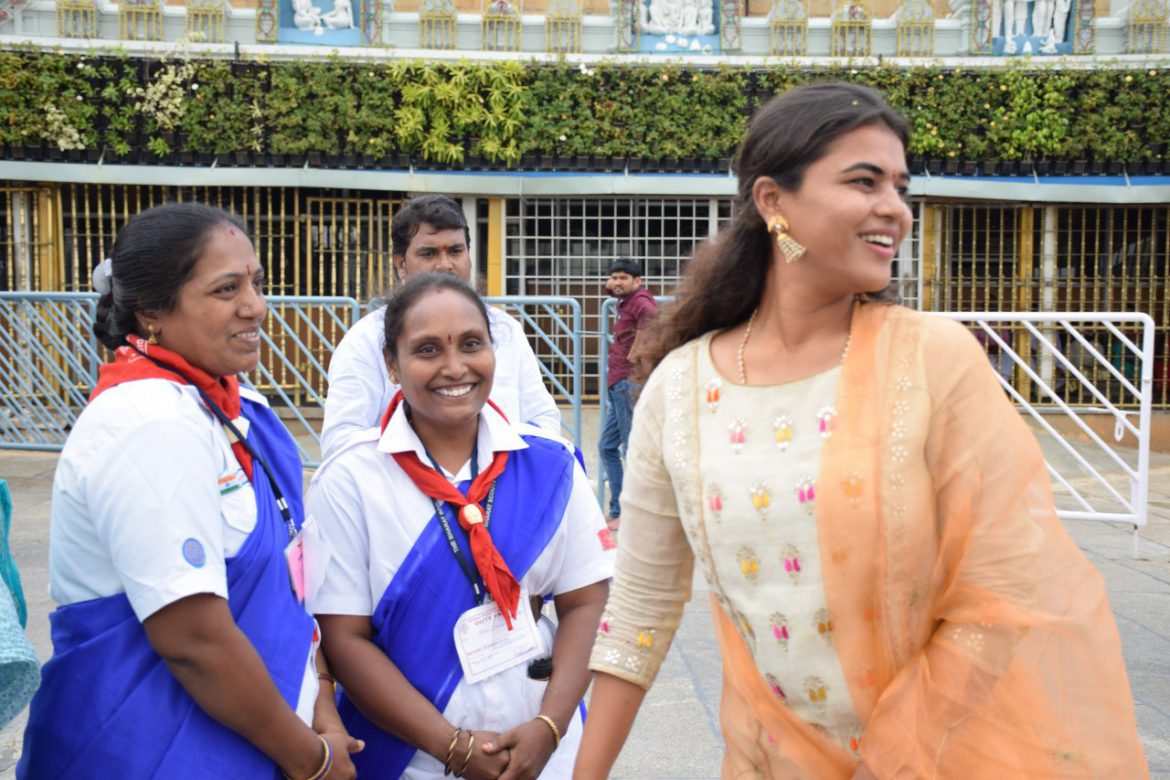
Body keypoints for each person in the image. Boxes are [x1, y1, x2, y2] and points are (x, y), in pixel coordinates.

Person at [573, 83, 1148, 779]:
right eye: (864, 181)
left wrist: (890, 764)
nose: (895, 211)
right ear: (772, 201)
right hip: (767, 761)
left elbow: (1004, 587)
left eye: (900, 188)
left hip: (941, 758)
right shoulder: (681, 387)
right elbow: (641, 605)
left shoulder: (932, 358)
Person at [19, 203, 360, 779]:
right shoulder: (145, 421)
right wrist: (312, 760)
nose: (255, 305)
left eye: (255, 281)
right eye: (226, 289)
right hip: (144, 751)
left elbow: (290, 581)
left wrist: (322, 704)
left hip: (253, 740)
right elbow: (193, 640)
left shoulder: (236, 407)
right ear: (152, 310)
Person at [307, 272, 615, 779]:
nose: (455, 368)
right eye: (427, 350)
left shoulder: (552, 464)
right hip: (412, 763)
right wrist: (450, 747)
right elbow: (343, 638)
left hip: (542, 756)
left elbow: (587, 600)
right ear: (391, 363)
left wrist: (549, 725)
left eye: (472, 344)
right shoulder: (349, 481)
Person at [321, 195, 562, 461]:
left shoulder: (505, 330)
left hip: (500, 491)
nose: (445, 264)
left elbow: (543, 422)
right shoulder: (366, 339)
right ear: (401, 265)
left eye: (456, 251)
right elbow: (341, 441)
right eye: (429, 253)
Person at [598, 258, 657, 533]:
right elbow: (611, 291)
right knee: (607, 447)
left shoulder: (641, 303)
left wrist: (635, 356)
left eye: (624, 278)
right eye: (614, 277)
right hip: (618, 383)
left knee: (630, 448)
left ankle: (630, 513)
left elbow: (651, 321)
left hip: (627, 382)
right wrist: (614, 285)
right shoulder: (626, 300)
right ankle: (619, 508)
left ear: (639, 280)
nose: (617, 283)